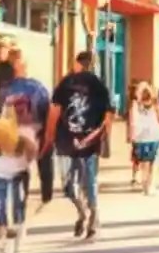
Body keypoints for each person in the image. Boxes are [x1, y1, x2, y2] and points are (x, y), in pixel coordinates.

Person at [43, 51, 114, 241]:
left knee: (84, 183)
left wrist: (49, 138)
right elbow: (55, 110)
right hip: (69, 142)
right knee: (74, 184)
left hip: (85, 142)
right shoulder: (67, 84)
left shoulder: (97, 86)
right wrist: (49, 138)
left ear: (78, 63)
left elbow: (107, 115)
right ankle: (84, 213)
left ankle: (93, 217)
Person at [0, 49, 52, 209]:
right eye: (23, 61)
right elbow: (46, 109)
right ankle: (45, 195)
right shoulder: (36, 87)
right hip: (34, 131)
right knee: (42, 163)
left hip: (17, 134)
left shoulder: (5, 89)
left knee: (20, 168)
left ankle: (22, 199)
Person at [0, 116, 36, 253]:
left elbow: (32, 152)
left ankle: (17, 233)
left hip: (19, 174)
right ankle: (4, 236)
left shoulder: (25, 132)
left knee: (18, 205)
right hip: (0, 174)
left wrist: (26, 163)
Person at [129, 82, 159, 195]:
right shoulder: (156, 105)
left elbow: (132, 122)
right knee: (154, 164)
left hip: (141, 139)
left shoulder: (135, 105)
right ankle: (151, 185)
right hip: (155, 137)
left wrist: (132, 135)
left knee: (144, 164)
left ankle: (145, 186)